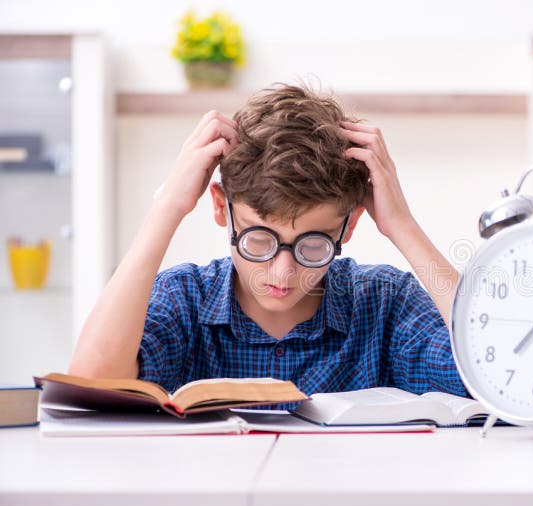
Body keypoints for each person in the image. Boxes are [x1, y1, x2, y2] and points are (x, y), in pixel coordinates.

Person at [69, 83, 467, 401]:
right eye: (259, 241)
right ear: (222, 209)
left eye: (313, 245)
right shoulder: (184, 300)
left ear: (348, 227)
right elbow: (90, 385)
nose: (283, 272)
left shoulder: (384, 302)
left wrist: (403, 227)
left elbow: (496, 375)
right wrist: (167, 208)